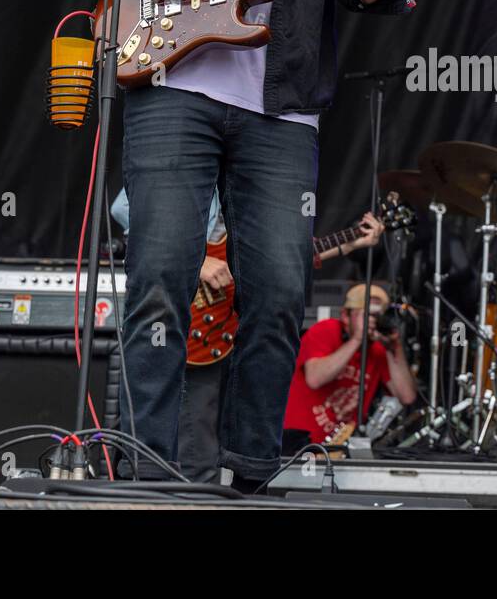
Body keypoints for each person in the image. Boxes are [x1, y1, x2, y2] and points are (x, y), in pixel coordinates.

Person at [65, 0, 443, 491]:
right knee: (161, 277)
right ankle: (145, 468)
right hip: (169, 81)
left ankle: (249, 472)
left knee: (276, 292)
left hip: (284, 104)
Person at [108, 188, 385, 482]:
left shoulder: (255, 168)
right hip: (187, 311)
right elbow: (124, 207)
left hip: (232, 326)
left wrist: (349, 243)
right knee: (193, 441)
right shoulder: (187, 151)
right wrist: (197, 259)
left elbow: (275, 259)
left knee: (220, 441)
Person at [283, 283, 418, 445]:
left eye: (377, 315)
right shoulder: (326, 330)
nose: (373, 320)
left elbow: (407, 396)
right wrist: (357, 340)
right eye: (367, 314)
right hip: (297, 443)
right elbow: (314, 378)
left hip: (338, 446)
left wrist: (394, 347)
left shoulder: (377, 350)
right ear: (346, 316)